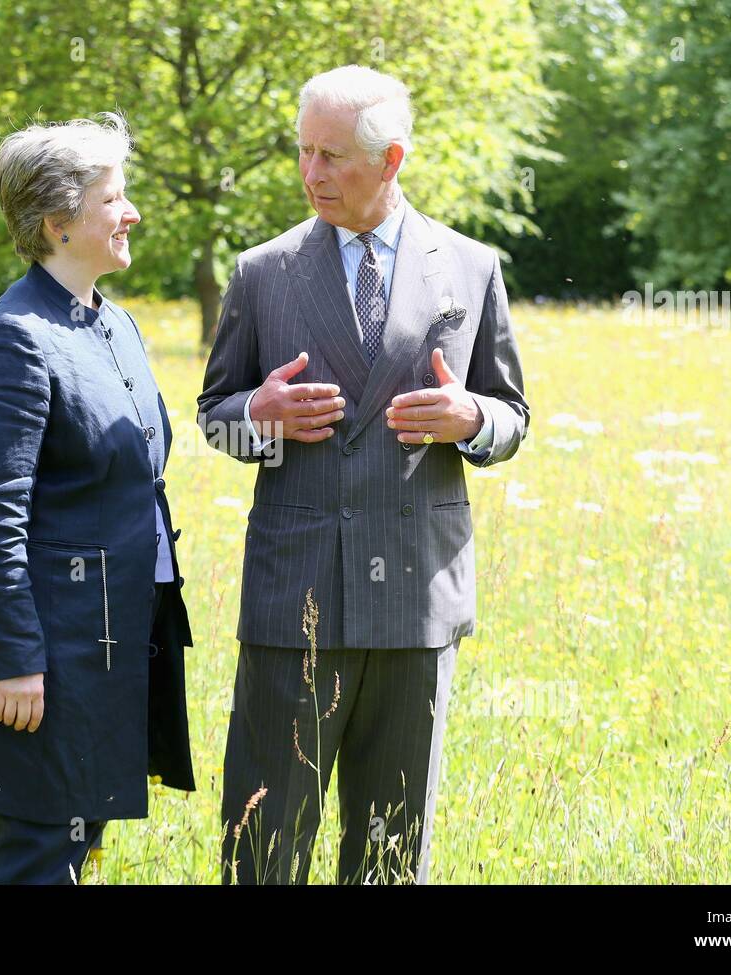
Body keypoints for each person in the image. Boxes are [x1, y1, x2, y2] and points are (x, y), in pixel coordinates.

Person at [198, 65, 530, 884]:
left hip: (415, 601)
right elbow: (214, 415)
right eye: (304, 152)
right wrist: (257, 419)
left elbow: (512, 415)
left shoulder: (470, 267)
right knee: (264, 847)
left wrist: (472, 421)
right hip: (292, 602)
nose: (313, 174)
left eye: (334, 156)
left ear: (391, 161)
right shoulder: (262, 272)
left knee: (388, 854)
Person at [0, 112, 194, 884]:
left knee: (78, 846)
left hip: (107, 637)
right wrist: (11, 661)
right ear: (58, 221)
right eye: (114, 198)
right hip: (43, 654)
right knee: (36, 856)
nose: (132, 211)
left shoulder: (112, 323)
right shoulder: (11, 342)